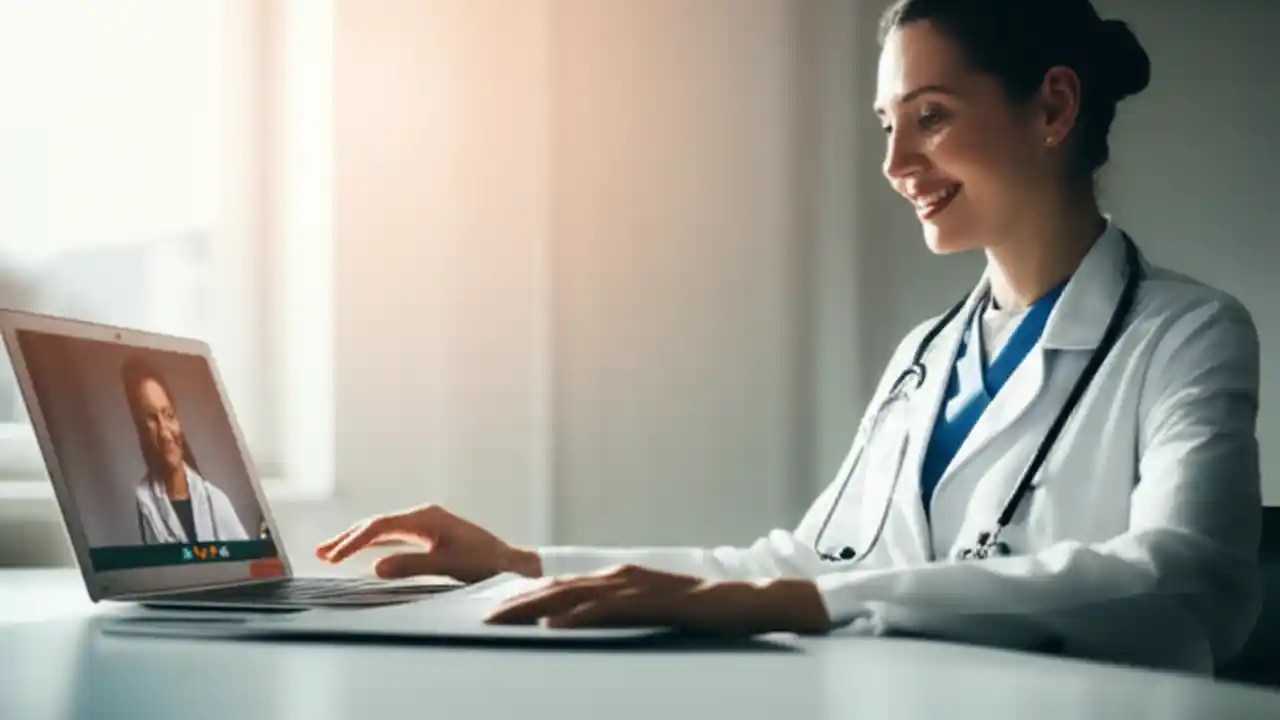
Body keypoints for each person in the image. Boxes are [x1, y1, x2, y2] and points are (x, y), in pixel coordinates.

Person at [316, 0, 1261, 673]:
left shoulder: (1184, 336)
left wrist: (796, 604)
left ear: (1054, 107)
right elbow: (803, 566)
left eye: (930, 118)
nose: (895, 164)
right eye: (887, 127)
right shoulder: (924, 358)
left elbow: (1189, 581)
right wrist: (527, 564)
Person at [122, 356, 249, 544]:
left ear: (178, 420)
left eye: (169, 415)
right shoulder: (143, 501)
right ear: (140, 430)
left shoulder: (215, 500)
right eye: (151, 420)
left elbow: (253, 566)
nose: (165, 434)